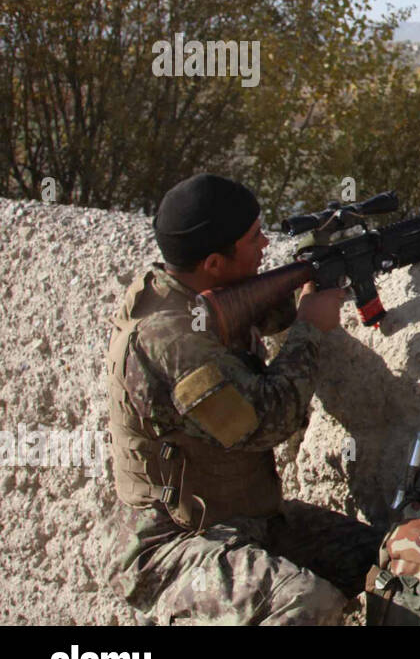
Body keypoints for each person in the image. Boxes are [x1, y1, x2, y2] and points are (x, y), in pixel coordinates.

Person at [101, 173, 385, 624]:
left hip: (249, 519)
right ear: (214, 262)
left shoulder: (188, 292)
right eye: (254, 238)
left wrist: (317, 268)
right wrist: (309, 329)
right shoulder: (172, 340)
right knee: (307, 603)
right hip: (174, 547)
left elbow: (262, 307)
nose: (265, 244)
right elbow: (268, 421)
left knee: (388, 563)